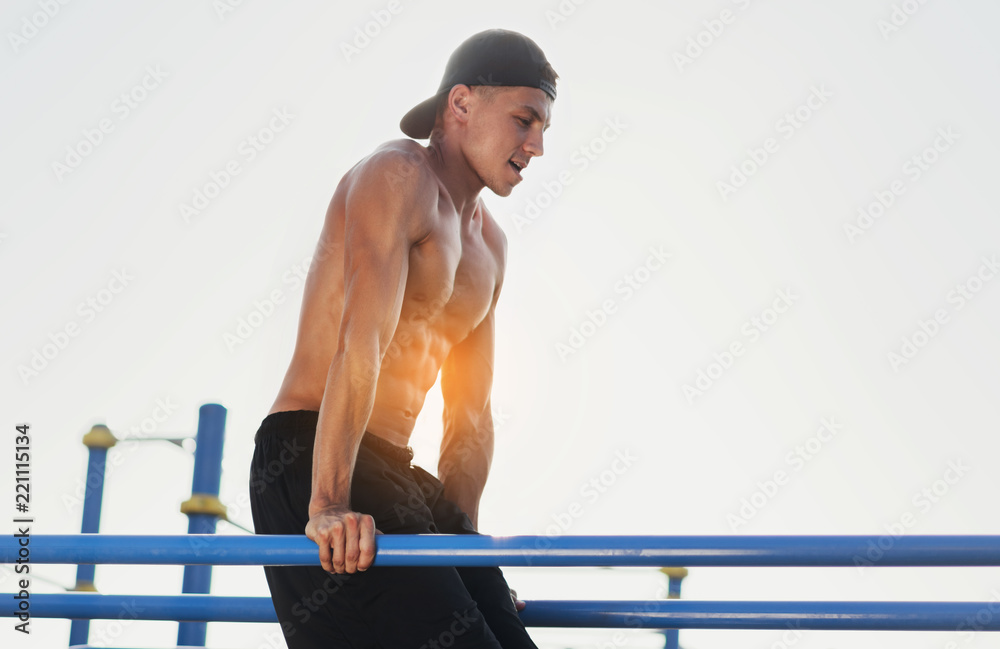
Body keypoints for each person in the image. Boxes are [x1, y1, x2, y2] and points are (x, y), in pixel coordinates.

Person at [249, 28, 557, 648]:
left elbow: (470, 415)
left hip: (397, 474)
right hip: (314, 453)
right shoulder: (397, 176)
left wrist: (468, 557)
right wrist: (328, 504)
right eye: (525, 120)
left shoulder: (491, 246)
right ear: (462, 104)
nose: (538, 146)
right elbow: (359, 340)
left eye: (545, 129)